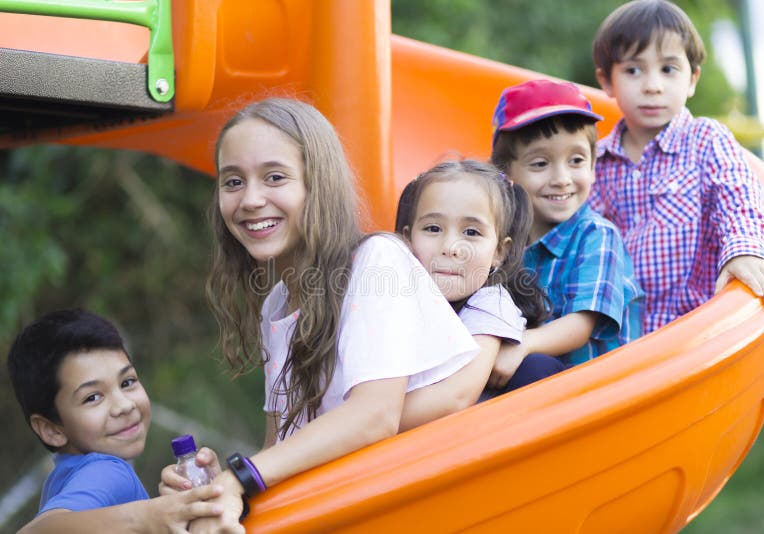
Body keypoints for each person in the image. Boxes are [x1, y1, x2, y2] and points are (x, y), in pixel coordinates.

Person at [160, 97, 480, 531]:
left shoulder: (375, 261)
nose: (251, 199)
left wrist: (244, 475)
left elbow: (374, 417)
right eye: (233, 181)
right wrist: (217, 488)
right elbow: (281, 447)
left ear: (318, 184)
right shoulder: (276, 302)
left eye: (275, 177)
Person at [590, 0, 764, 333]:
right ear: (607, 81)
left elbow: (737, 195)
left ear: (692, 79)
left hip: (695, 333)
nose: (652, 85)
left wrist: (743, 250)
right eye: (633, 70)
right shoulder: (595, 162)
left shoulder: (705, 140)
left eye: (668, 69)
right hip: (618, 344)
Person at [6, 308, 226, 534]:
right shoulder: (109, 472)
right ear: (51, 429)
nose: (124, 405)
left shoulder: (59, 480)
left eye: (127, 382)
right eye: (92, 397)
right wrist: (145, 516)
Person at [490, 79, 645, 385]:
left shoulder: (597, 235)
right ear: (506, 172)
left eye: (576, 161)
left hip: (600, 392)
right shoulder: (503, 242)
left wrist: (523, 344)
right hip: (538, 386)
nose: (561, 178)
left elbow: (581, 325)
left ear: (592, 165)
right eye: (540, 164)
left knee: (531, 367)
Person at [394, 159, 558, 410]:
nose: (451, 248)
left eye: (471, 232)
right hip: (414, 425)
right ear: (407, 240)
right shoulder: (398, 299)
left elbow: (456, 396)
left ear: (499, 252)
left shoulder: (490, 302)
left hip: (472, 431)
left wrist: (370, 419)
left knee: (538, 368)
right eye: (433, 228)